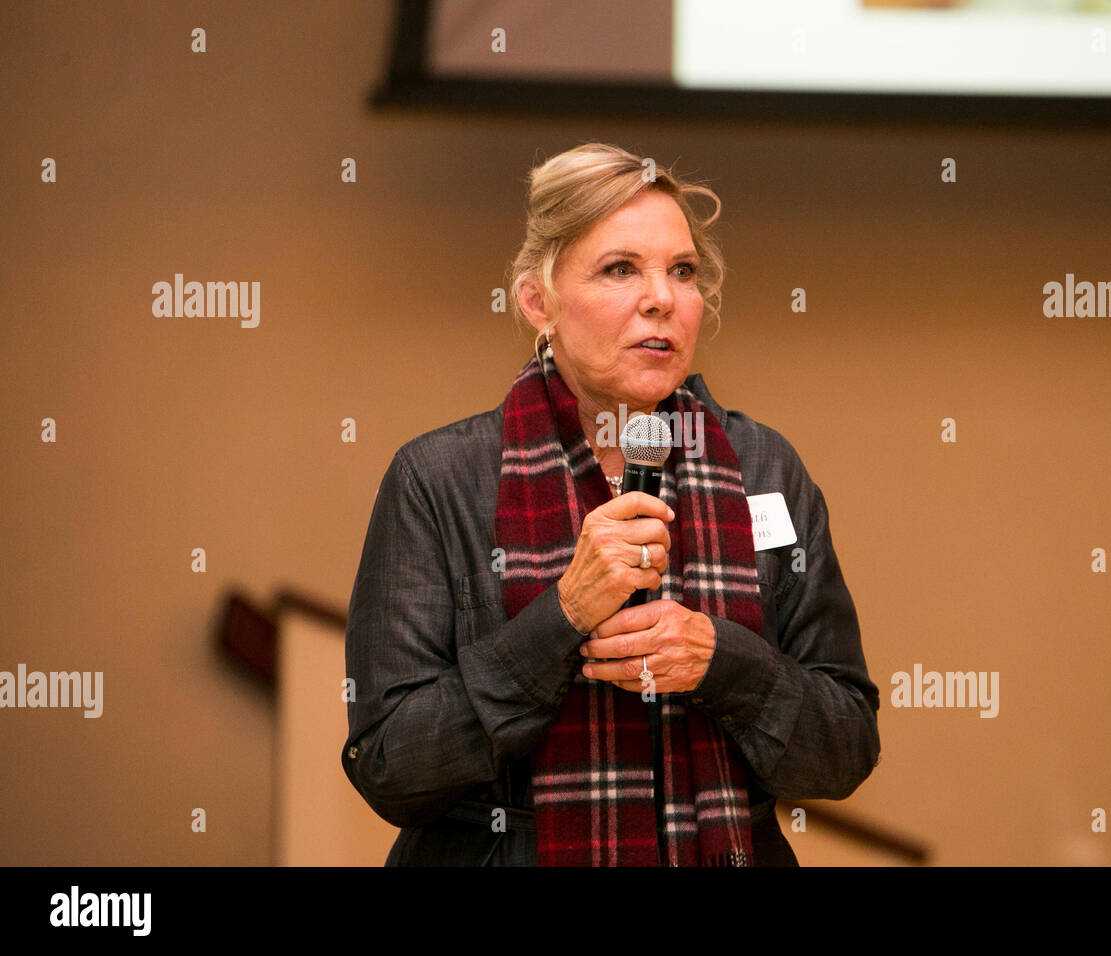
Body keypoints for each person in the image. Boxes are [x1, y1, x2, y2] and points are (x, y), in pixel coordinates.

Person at [342, 142, 881, 866]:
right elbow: (390, 767)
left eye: (682, 271)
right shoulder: (439, 478)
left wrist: (722, 662)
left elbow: (846, 749)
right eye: (620, 269)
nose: (662, 298)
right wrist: (563, 615)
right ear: (539, 302)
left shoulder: (764, 467)